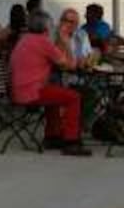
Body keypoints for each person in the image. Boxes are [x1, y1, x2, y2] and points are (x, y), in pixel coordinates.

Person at [10, 10, 89, 155]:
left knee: (54, 94)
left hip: (19, 91)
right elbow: (71, 65)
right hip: (32, 92)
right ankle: (71, 141)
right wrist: (64, 42)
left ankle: (52, 136)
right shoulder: (43, 42)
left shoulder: (25, 39)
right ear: (47, 27)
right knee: (74, 97)